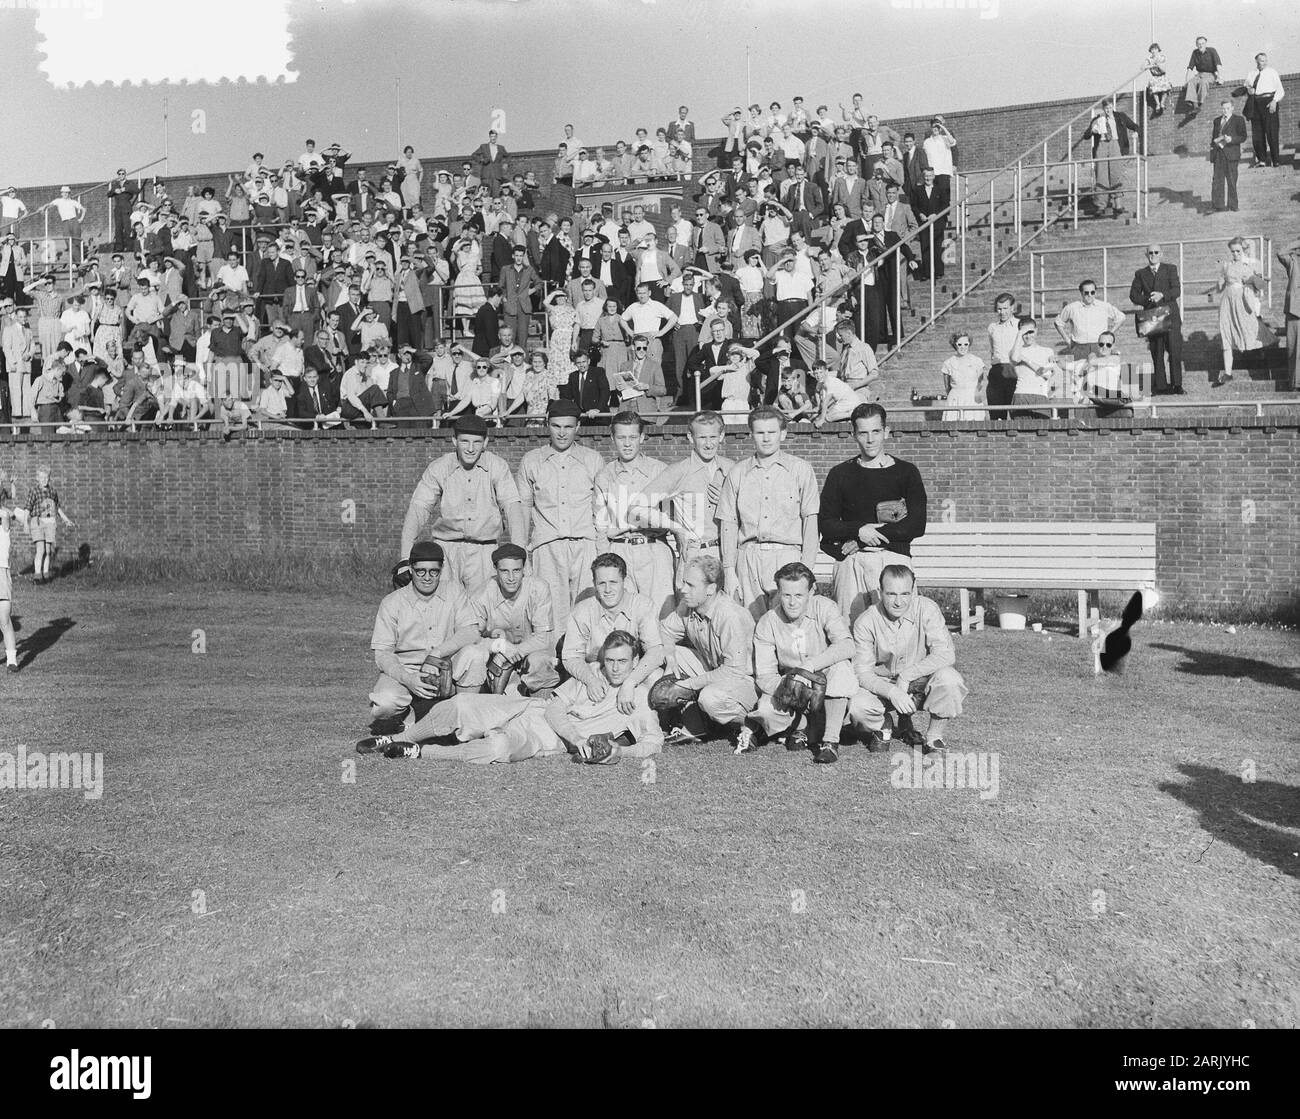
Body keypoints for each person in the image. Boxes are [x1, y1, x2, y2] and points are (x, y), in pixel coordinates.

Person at [357, 629, 662, 764]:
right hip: (532, 708)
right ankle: (402, 738)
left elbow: (651, 745)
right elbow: (555, 708)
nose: (615, 668)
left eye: (622, 662)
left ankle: (421, 753)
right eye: (610, 660)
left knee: (499, 746)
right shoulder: (593, 674)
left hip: (546, 738)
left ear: (635, 663)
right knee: (462, 704)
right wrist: (578, 736)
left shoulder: (641, 700)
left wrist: (622, 753)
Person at [737, 562, 856, 762]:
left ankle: (830, 741)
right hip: (791, 688)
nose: (792, 602)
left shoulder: (825, 607)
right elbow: (765, 675)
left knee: (841, 666)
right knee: (765, 711)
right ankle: (802, 727)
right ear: (779, 593)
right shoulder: (768, 621)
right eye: (786, 595)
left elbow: (846, 645)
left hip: (824, 682)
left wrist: (808, 667)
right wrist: (788, 686)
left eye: (799, 595)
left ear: (812, 591)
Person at [849, 565, 967, 755]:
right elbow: (862, 673)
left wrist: (906, 676)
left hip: (921, 678)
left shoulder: (927, 608)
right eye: (891, 594)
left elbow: (946, 654)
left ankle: (934, 736)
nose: (898, 602)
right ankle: (884, 724)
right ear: (880, 592)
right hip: (884, 683)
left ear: (913, 590)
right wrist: (893, 692)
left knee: (950, 679)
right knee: (857, 706)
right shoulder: (866, 621)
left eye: (905, 594)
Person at [365, 541, 479, 738]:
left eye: (434, 572)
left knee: (475, 654)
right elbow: (383, 655)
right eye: (420, 571)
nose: (427, 577)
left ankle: (464, 718)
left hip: (445, 666)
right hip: (406, 670)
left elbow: (471, 631)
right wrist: (408, 679)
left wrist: (437, 654)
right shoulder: (392, 602)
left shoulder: (454, 592)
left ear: (441, 570)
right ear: (411, 569)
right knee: (384, 703)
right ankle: (405, 713)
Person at [717, 405, 820, 619]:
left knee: (788, 626)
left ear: (782, 433)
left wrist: (807, 570)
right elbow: (729, 523)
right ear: (751, 434)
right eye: (760, 432)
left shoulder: (800, 470)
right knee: (748, 626)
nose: (766, 438)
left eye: (771, 432)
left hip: (787, 556)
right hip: (748, 558)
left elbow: (810, 523)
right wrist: (729, 570)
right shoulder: (738, 472)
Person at [517, 399, 605, 634]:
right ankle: (552, 667)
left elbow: (602, 509)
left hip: (585, 545)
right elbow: (522, 509)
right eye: (556, 426)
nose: (562, 433)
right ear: (547, 425)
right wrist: (520, 552)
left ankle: (583, 665)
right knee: (551, 613)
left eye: (568, 427)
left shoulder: (593, 459)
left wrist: (601, 547)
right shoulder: (531, 460)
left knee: (588, 608)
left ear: (578, 427)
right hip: (547, 547)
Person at [652, 555, 758, 747]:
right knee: (664, 652)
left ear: (710, 589)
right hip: (716, 670)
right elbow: (664, 631)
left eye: (690, 585)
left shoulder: (729, 615)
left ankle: (755, 724)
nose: (683, 589)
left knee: (710, 698)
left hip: (746, 681)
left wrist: (687, 684)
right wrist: (670, 657)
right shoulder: (689, 604)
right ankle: (698, 725)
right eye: (684, 582)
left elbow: (733, 671)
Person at [448, 543, 561, 698]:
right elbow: (471, 636)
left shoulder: (539, 588)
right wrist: (497, 645)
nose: (511, 578)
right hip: (496, 661)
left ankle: (541, 709)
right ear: (495, 570)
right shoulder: (481, 594)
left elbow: (543, 639)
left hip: (529, 654)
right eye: (504, 571)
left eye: (516, 570)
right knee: (474, 656)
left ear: (524, 569)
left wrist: (510, 654)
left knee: (540, 662)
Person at [593, 412, 674, 615]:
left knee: (660, 617)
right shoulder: (605, 476)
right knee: (624, 617)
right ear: (612, 439)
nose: (627, 444)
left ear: (642, 437)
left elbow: (669, 519)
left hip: (654, 551)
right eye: (621, 438)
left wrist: (627, 523)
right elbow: (602, 529)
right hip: (619, 552)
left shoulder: (660, 471)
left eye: (632, 437)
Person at [561, 553, 665, 700]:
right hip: (596, 672)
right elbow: (571, 657)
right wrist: (590, 680)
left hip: (630, 671)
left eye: (613, 582)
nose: (608, 589)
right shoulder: (582, 610)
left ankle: (663, 722)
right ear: (594, 583)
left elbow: (655, 651)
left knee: (657, 678)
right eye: (601, 583)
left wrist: (630, 682)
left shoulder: (642, 605)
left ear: (624, 580)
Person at [1214, 237, 1272, 385]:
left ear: (1244, 250)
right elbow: (1219, 288)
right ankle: (1227, 373)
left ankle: (1263, 361)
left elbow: (1262, 286)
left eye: (1238, 251)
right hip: (1227, 303)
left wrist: (1253, 278)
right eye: (1232, 251)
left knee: (1252, 330)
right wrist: (1219, 282)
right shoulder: (1226, 266)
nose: (1235, 254)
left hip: (1243, 302)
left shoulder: (1251, 264)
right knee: (1226, 333)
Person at [1128, 244, 1184, 395]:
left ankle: (1177, 385)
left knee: (1174, 350)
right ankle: (1161, 386)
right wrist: (1148, 300)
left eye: (1156, 252)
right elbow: (1133, 295)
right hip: (1152, 317)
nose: (1153, 255)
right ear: (1146, 255)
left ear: (1161, 254)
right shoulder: (1140, 273)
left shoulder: (1170, 269)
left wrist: (1162, 295)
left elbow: (1176, 289)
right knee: (1157, 351)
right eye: (1150, 253)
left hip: (1170, 315)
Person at [1053, 280, 1126, 362]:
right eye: (1086, 293)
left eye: (1092, 292)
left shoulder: (1104, 306)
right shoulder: (1072, 308)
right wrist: (1068, 340)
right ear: (1081, 293)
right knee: (1078, 372)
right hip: (1079, 348)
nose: (1090, 295)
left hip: (1099, 346)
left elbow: (1121, 317)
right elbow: (1058, 323)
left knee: (1099, 373)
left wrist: (1110, 334)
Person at [25, 466, 75, 584]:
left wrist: (66, 519)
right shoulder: (34, 491)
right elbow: (27, 508)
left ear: (49, 478)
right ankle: (37, 576)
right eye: (41, 477)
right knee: (40, 549)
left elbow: (57, 508)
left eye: (46, 477)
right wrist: (26, 524)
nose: (44, 479)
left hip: (50, 523)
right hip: (37, 522)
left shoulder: (53, 491)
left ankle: (46, 574)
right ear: (37, 478)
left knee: (48, 551)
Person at [1008, 317, 1060, 419]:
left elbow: (1046, 374)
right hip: (1021, 396)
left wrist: (1026, 360)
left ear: (1036, 331)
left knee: (1043, 432)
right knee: (1021, 433)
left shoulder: (1047, 351)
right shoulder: (1016, 351)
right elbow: (1014, 358)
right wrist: (1019, 334)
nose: (1028, 336)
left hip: (1040, 396)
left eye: (1030, 332)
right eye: (1024, 333)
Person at [1244, 52, 1284, 169]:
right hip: (1255, 104)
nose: (1264, 62)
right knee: (1257, 134)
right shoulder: (1251, 74)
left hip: (1269, 102)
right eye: (1261, 60)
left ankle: (1275, 160)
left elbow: (1280, 90)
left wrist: (1274, 102)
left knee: (1272, 132)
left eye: (1265, 60)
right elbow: (1247, 86)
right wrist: (1249, 90)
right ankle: (1261, 160)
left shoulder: (1272, 72)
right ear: (1256, 61)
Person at [1210, 99, 1248, 213]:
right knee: (1217, 181)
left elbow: (1243, 136)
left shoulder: (1239, 120)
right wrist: (1215, 142)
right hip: (1219, 154)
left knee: (1232, 180)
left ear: (1232, 108)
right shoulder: (1217, 121)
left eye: (1227, 108)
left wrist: (1232, 139)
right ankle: (1218, 205)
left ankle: (1233, 205)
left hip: (1231, 154)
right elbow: (1213, 138)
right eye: (1223, 108)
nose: (1225, 111)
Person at [940, 332, 987, 420]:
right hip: (955, 399)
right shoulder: (948, 363)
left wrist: (975, 393)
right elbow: (947, 387)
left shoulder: (977, 361)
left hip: (972, 398)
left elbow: (980, 381)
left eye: (966, 344)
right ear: (954, 344)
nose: (963, 347)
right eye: (959, 344)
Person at [0, 486, 20, 671]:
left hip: (1, 573)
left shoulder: (4, 520)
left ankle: (12, 659)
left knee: (4, 619)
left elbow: (7, 515)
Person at [1277, 239, 1300, 391]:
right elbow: (1281, 252)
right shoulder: (1293, 260)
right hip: (1295, 309)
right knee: (1294, 347)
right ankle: (1296, 383)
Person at [810, 360, 859, 426]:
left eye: (821, 372)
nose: (818, 375)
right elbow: (817, 391)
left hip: (849, 402)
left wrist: (821, 419)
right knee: (817, 418)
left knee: (827, 418)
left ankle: (852, 414)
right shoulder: (820, 382)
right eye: (816, 373)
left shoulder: (830, 382)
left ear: (826, 372)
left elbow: (826, 402)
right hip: (841, 403)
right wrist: (819, 405)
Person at [1182, 36, 1222, 110]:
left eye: (1202, 43)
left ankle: (1200, 102)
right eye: (1199, 44)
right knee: (1191, 82)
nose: (1201, 45)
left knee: (1203, 82)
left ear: (1206, 44)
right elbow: (1190, 68)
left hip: (1210, 74)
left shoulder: (1212, 51)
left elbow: (1218, 65)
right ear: (1196, 45)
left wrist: (1220, 77)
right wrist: (1186, 82)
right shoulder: (1195, 53)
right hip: (1199, 74)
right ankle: (1195, 105)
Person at [1145, 43, 1171, 116]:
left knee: (1166, 85)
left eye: (1155, 49)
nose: (1153, 51)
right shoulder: (1149, 59)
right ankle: (1158, 104)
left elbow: (1164, 70)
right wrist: (1152, 65)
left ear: (1158, 50)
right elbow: (1143, 67)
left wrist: (1159, 65)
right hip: (1155, 76)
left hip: (1162, 75)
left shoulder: (1162, 57)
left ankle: (1162, 103)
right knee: (1153, 85)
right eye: (1152, 49)